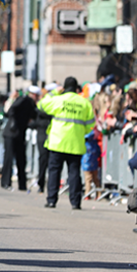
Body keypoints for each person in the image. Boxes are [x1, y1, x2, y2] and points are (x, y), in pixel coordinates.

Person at [38, 77, 94, 210]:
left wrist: (54, 92)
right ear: (76, 88)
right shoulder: (84, 103)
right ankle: (75, 202)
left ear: (64, 87)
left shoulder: (58, 100)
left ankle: (51, 200)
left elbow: (41, 104)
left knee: (54, 172)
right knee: (74, 173)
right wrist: (81, 131)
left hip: (57, 142)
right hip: (75, 143)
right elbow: (91, 124)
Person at [0, 86, 40, 191]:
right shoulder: (24, 100)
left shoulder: (30, 103)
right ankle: (6, 182)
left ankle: (22, 184)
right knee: (9, 158)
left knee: (21, 159)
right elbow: (11, 110)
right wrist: (14, 121)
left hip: (19, 133)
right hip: (11, 132)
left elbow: (34, 116)